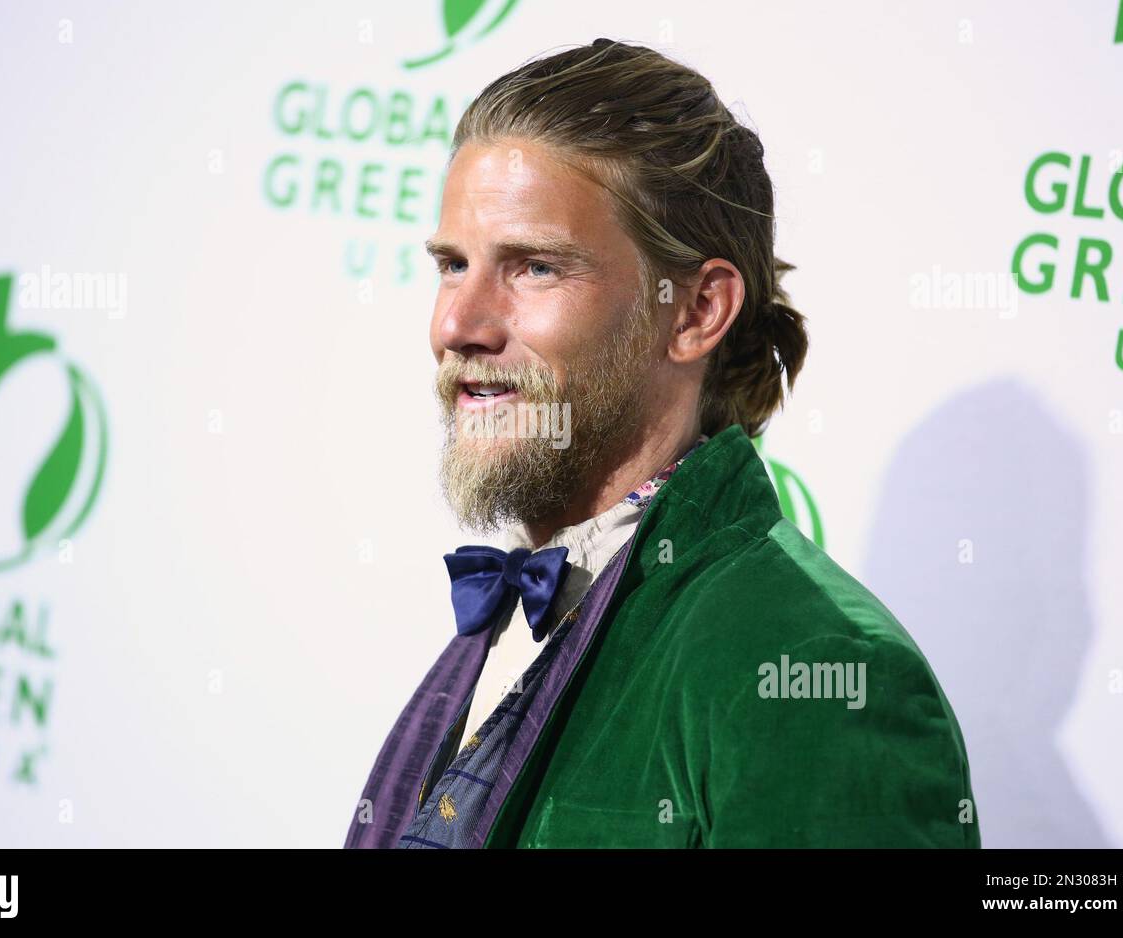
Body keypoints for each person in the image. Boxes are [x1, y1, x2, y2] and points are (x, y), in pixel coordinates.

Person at [345, 38, 979, 849]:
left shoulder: (821, 676)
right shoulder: (517, 603)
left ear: (695, 312)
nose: (456, 326)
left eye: (534, 267)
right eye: (452, 265)